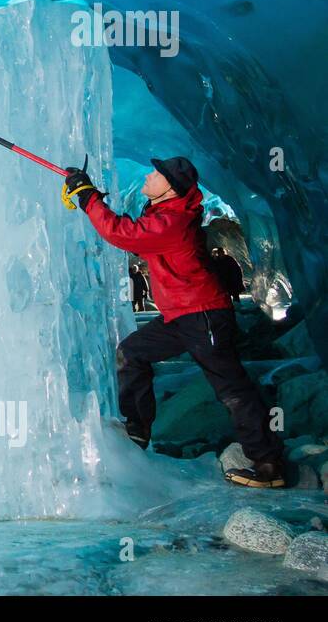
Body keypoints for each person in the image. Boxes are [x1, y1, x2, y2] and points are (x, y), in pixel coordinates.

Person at [63, 157, 284, 487]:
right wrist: (90, 195)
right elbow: (133, 229)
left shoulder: (173, 220)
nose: (148, 176)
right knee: (132, 353)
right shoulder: (164, 214)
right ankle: (136, 430)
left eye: (156, 173)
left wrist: (88, 197)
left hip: (203, 315)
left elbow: (122, 233)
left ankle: (269, 465)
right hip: (182, 316)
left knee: (232, 390)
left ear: (170, 187)